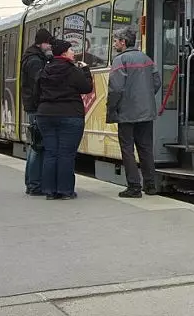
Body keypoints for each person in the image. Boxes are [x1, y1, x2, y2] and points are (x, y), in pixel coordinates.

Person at [34, 39, 93, 200]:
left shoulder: (44, 70)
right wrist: (86, 71)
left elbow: (36, 92)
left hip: (45, 116)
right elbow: (86, 88)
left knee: (51, 152)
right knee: (66, 154)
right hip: (70, 115)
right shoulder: (73, 71)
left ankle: (49, 191)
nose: (73, 52)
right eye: (71, 50)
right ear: (64, 53)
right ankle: (65, 191)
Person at [107, 27, 162, 198]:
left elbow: (116, 88)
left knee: (128, 149)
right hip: (146, 111)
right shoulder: (146, 59)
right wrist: (145, 97)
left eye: (116, 41)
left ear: (123, 42)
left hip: (126, 112)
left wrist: (112, 108)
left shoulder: (120, 60)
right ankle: (150, 185)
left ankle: (134, 187)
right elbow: (157, 81)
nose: (114, 44)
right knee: (145, 148)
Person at [20, 28, 53, 195]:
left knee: (36, 145)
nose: (50, 46)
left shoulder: (33, 57)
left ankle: (32, 183)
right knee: (37, 145)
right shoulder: (35, 60)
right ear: (42, 42)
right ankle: (34, 185)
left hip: (33, 106)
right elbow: (39, 83)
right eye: (49, 43)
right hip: (36, 107)